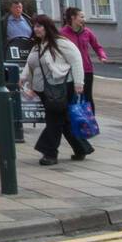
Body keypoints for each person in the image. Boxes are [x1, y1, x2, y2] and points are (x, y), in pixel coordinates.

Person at [20, 14, 91, 165]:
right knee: (63, 120)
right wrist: (24, 76)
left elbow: (76, 60)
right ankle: (81, 148)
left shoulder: (60, 42)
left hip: (62, 87)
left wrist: (79, 84)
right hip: (44, 89)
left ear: (47, 27)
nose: (36, 29)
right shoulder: (38, 45)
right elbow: (30, 63)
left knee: (54, 120)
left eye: (39, 26)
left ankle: (49, 152)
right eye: (35, 26)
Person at [61, 7, 107, 111]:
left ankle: (90, 122)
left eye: (84, 17)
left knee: (88, 98)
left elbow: (97, 46)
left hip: (86, 69)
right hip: (70, 71)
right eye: (81, 17)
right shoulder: (63, 33)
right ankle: (71, 122)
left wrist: (102, 56)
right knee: (70, 97)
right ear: (73, 18)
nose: (83, 19)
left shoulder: (87, 32)